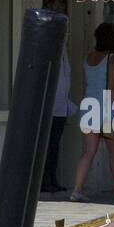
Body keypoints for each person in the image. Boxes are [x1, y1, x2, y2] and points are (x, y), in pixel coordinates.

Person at [69, 22, 114, 203]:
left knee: (89, 151)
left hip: (89, 107)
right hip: (106, 110)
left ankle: (77, 190)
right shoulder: (111, 59)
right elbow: (113, 87)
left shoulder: (88, 57)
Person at [41, 44, 75, 193]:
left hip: (61, 107)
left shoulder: (64, 52)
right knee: (47, 146)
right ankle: (44, 180)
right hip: (49, 107)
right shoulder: (49, 49)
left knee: (54, 146)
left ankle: (52, 179)